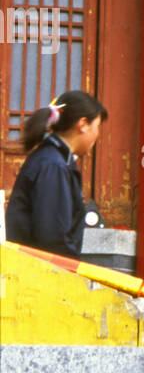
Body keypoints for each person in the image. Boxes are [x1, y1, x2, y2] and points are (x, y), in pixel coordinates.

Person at [5, 91, 107, 258]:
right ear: (83, 124)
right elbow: (52, 239)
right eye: (97, 126)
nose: (97, 134)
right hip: (39, 267)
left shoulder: (54, 159)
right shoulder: (54, 165)